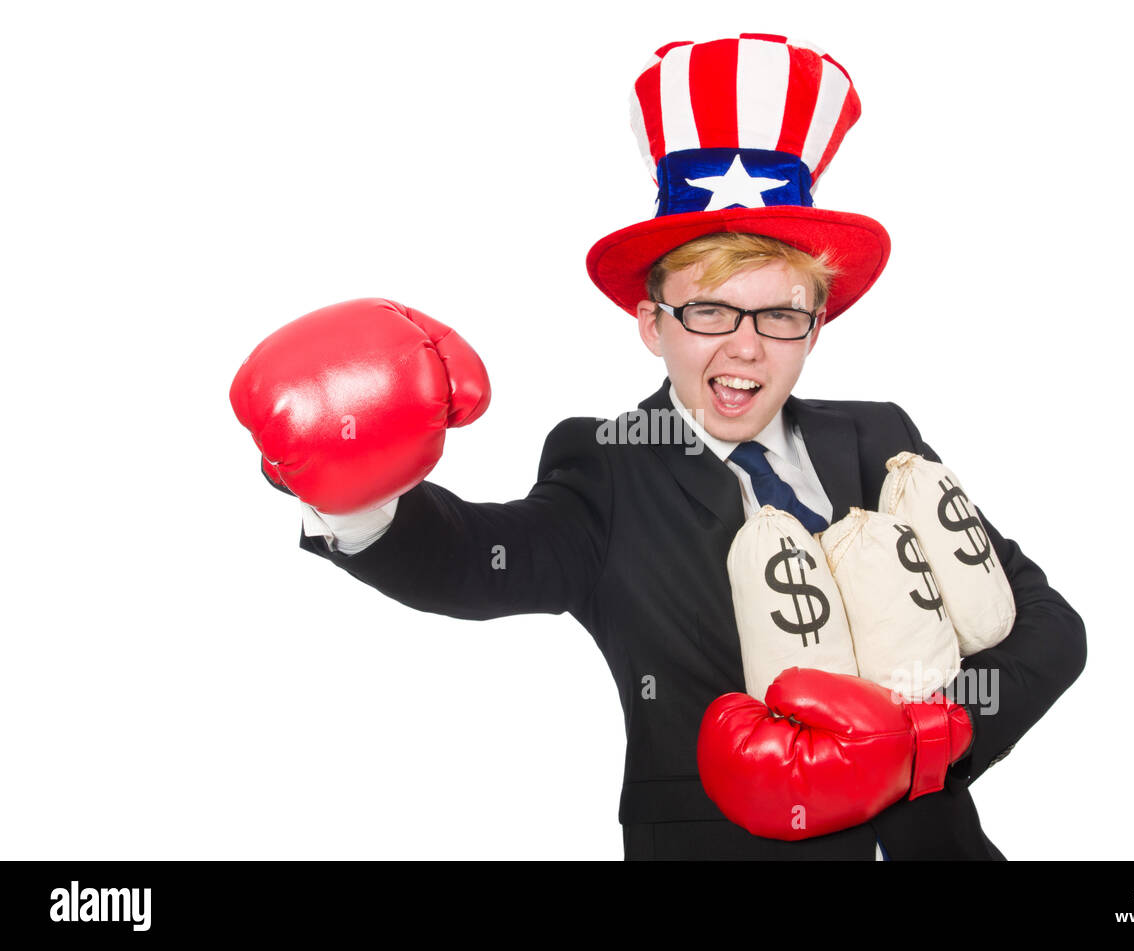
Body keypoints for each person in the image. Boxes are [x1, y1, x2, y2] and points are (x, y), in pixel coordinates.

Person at [235, 34, 1086, 860]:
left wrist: (933, 738)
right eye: (710, 310)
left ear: (816, 325)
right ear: (651, 323)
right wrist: (355, 495)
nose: (746, 347)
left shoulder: (880, 437)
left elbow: (1047, 624)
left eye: (781, 314)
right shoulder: (608, 468)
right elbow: (472, 561)